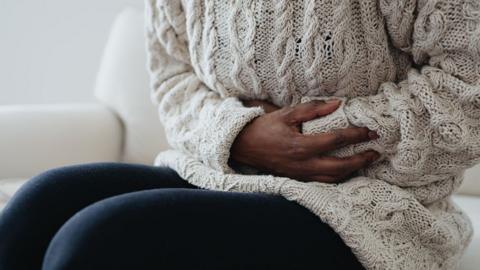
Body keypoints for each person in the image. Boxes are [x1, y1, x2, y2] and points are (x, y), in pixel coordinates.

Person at [1, 0, 479, 269]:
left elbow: (468, 87)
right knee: (42, 202)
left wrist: (304, 139)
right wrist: (242, 135)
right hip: (220, 169)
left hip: (364, 204)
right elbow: (173, 75)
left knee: (96, 242)